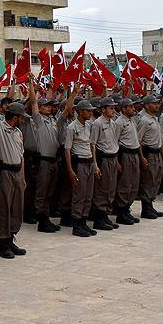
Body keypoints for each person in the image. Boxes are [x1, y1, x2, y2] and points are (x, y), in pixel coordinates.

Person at [0, 85, 29, 259]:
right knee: (4, 207)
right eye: (21, 117)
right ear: (15, 117)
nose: (23, 120)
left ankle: (11, 238)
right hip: (4, 172)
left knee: (17, 207)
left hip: (18, 172)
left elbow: (21, 156)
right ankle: (3, 243)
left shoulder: (18, 132)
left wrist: (24, 177)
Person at [27, 81, 62, 233]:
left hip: (53, 161)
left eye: (50, 106)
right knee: (42, 191)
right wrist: (31, 85)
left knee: (49, 191)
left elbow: (65, 110)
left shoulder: (53, 120)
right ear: (40, 109)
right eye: (45, 106)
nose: (49, 107)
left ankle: (46, 217)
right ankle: (42, 220)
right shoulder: (38, 120)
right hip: (43, 161)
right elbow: (33, 102)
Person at [64, 100, 98, 237]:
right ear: (81, 111)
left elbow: (91, 145)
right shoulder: (72, 127)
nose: (90, 113)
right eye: (88, 111)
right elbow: (67, 150)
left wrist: (95, 164)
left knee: (88, 195)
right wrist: (71, 170)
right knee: (80, 195)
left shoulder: (89, 126)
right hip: (79, 164)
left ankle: (83, 222)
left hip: (89, 162)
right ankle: (77, 224)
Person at [91, 97, 122, 227]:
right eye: (110, 108)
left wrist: (117, 161)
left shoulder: (113, 123)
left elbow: (115, 142)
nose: (113, 110)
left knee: (111, 187)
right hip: (103, 158)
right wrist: (95, 164)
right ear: (103, 109)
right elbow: (92, 144)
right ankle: (99, 218)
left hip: (113, 157)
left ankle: (105, 215)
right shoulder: (98, 123)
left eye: (114, 108)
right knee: (102, 188)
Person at [137, 95, 163, 218]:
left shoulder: (155, 118)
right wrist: (142, 157)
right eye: (154, 103)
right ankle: (146, 208)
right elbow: (138, 140)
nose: (157, 105)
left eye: (157, 103)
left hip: (157, 152)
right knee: (149, 180)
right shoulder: (144, 120)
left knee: (156, 179)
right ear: (147, 105)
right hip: (149, 153)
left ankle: (150, 205)